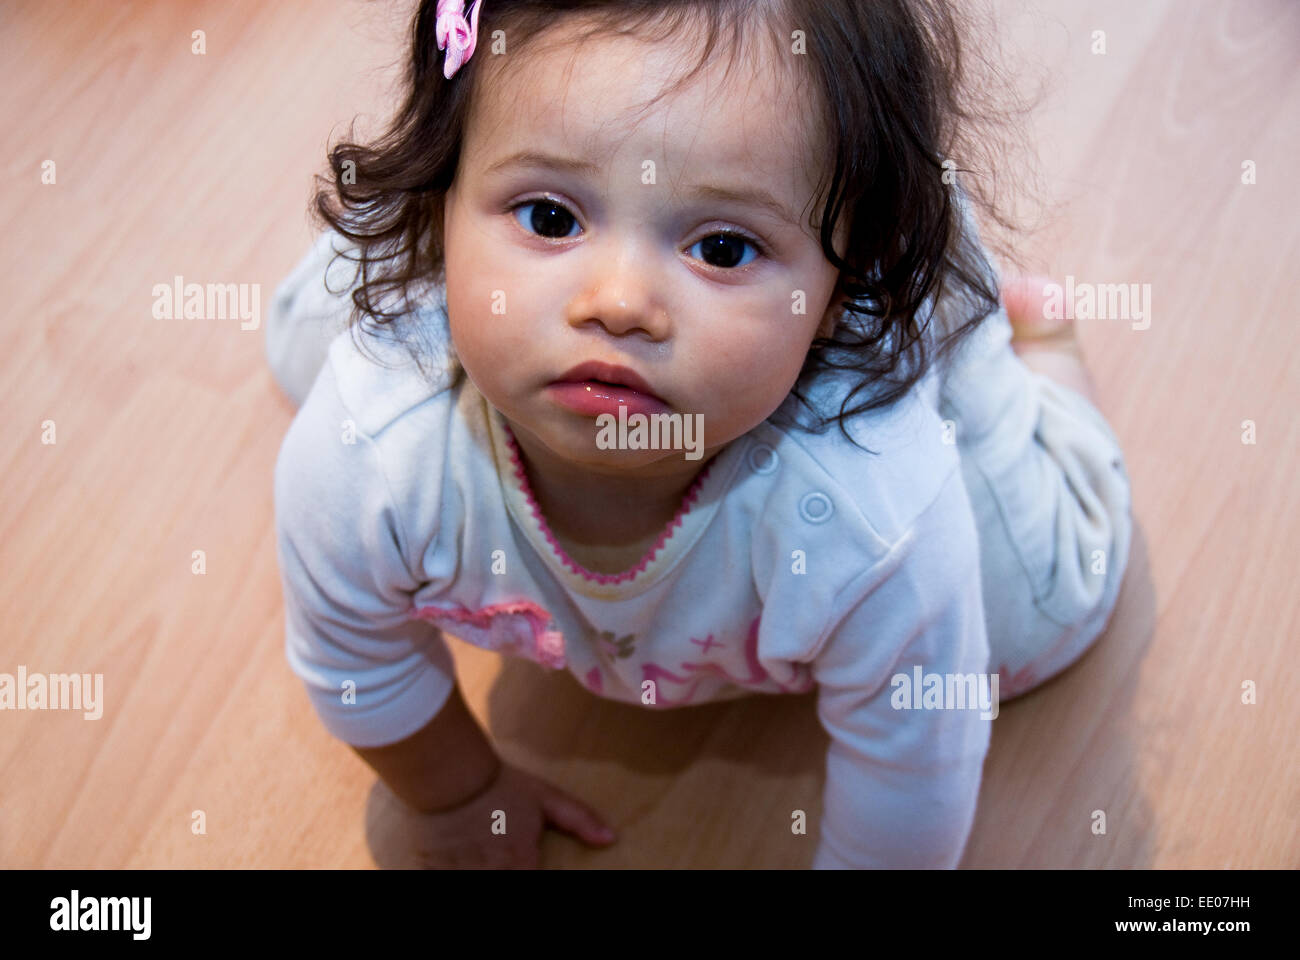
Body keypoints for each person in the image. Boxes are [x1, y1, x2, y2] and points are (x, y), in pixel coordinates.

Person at [267, 0, 1132, 868]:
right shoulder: (368, 450)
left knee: (1037, 614)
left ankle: (1021, 343)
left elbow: (915, 767)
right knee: (308, 345)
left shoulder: (876, 510)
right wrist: (457, 797)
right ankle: (412, 235)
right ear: (444, 196)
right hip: (433, 304)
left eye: (721, 247)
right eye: (551, 217)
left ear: (838, 295)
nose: (618, 302)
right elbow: (356, 655)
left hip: (888, 372)